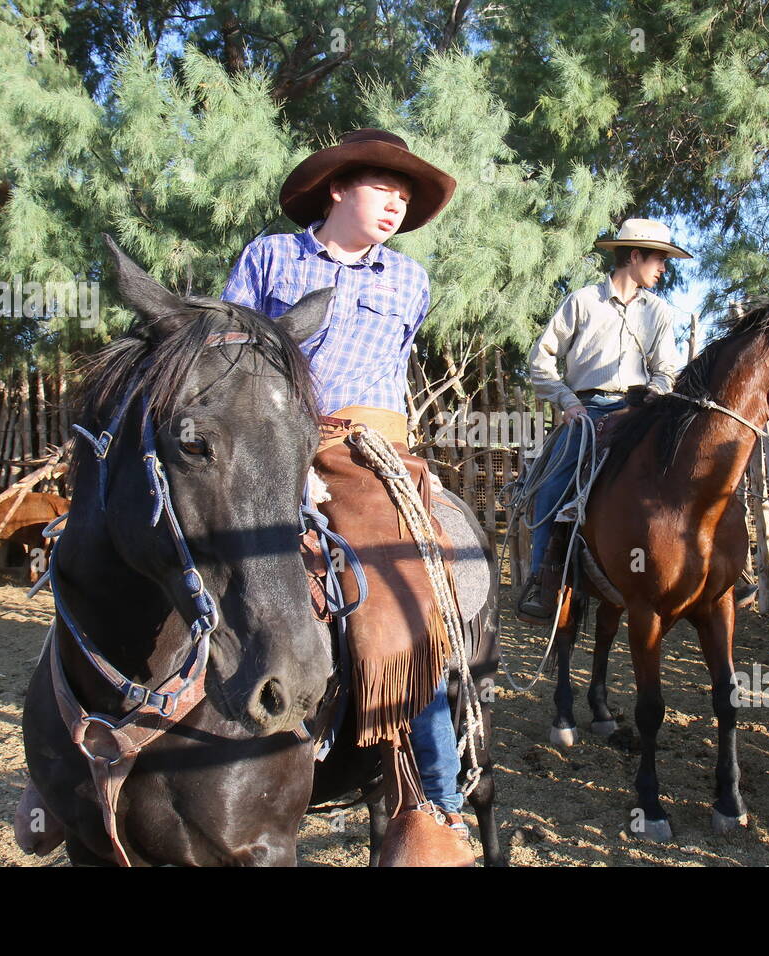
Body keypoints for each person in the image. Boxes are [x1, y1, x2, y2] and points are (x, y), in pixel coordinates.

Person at [222, 128, 472, 865]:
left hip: (371, 455)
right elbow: (235, 352)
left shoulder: (409, 280)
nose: (396, 204)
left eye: (405, 196)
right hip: (273, 437)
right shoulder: (271, 257)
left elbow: (394, 372)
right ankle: (81, 738)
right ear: (337, 189)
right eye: (382, 188)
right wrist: (282, 452)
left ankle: (435, 798)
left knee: (404, 600)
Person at [517, 218, 757, 621]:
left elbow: (667, 367)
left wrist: (659, 391)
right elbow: (540, 361)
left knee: (695, 464)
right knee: (554, 483)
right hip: (588, 411)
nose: (664, 268)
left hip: (643, 409)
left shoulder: (659, 311)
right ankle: (544, 577)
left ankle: (729, 568)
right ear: (634, 256)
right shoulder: (582, 302)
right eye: (659, 259)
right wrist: (567, 401)